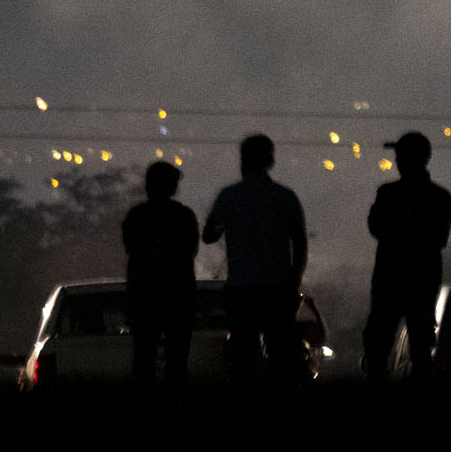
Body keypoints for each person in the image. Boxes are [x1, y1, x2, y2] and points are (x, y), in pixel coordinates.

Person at [203, 134, 310, 382]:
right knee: (281, 354)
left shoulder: (230, 197)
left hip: (241, 288)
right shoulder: (284, 197)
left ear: (243, 161)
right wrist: (294, 280)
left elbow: (209, 236)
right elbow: (300, 243)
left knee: (242, 355)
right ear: (270, 161)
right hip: (277, 287)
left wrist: (225, 222)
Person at [361, 132, 451, 381]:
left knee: (379, 344)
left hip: (389, 279)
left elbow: (375, 227)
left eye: (400, 156)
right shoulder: (440, 198)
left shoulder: (388, 194)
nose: (397, 161)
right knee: (421, 346)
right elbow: (439, 238)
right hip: (423, 280)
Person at [122, 160, 200, 380]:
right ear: (172, 186)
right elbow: (190, 251)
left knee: (143, 360)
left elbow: (130, 247)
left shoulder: (136, 217)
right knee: (177, 361)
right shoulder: (183, 216)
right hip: (179, 296)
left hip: (144, 296)